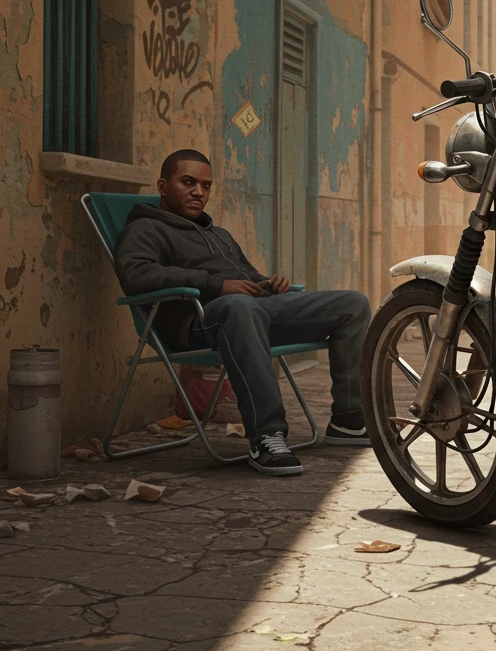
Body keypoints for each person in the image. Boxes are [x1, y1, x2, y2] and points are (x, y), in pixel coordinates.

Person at [114, 148, 372, 476]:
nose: (198, 192)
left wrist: (268, 283)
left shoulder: (218, 235)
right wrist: (216, 285)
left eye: (206, 186)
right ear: (163, 187)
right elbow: (136, 274)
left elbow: (246, 276)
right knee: (238, 306)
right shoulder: (144, 229)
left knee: (352, 304)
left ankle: (348, 421)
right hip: (197, 323)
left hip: (250, 312)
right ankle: (267, 435)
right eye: (188, 182)